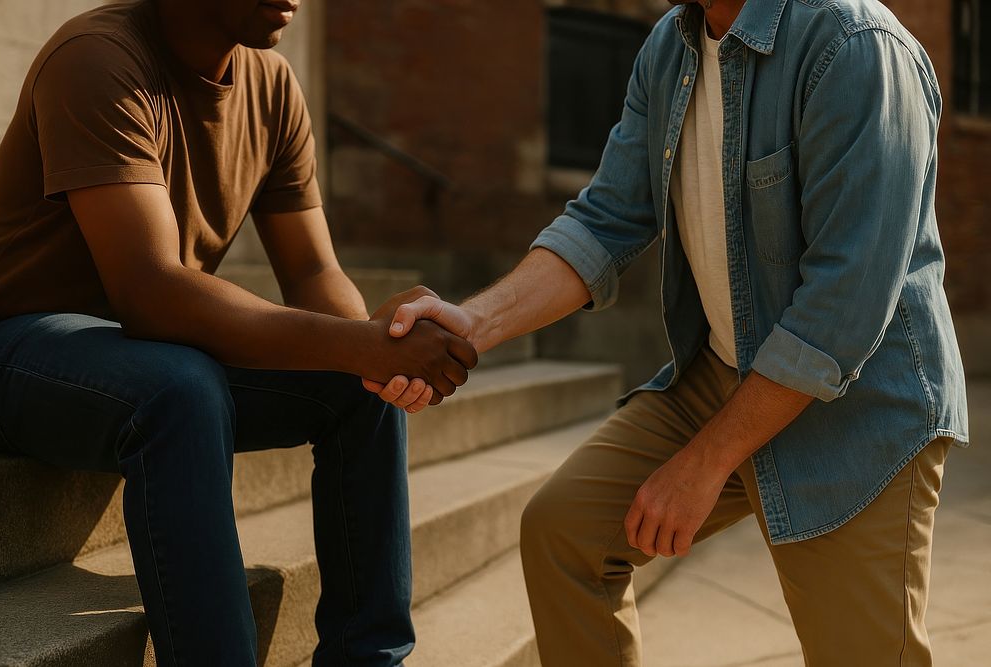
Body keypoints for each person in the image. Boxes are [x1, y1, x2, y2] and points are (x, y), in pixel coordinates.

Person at [369, 0, 970, 664]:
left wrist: (706, 462)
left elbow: (843, 308)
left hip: (856, 409)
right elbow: (605, 220)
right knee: (566, 532)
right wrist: (472, 323)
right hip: (722, 373)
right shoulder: (669, 48)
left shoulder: (857, 46)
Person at [0, 1, 476, 665]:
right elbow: (151, 291)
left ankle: (370, 657)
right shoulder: (98, 59)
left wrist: (378, 345)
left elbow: (310, 268)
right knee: (181, 388)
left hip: (142, 351)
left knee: (352, 380)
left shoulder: (272, 85)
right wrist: (359, 343)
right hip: (19, 349)